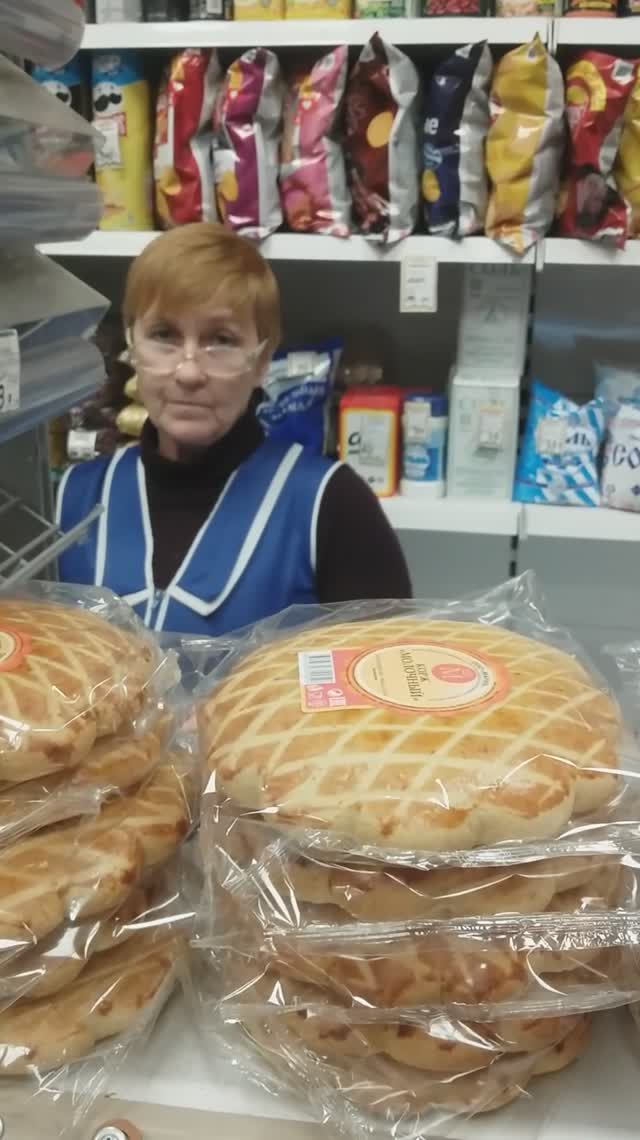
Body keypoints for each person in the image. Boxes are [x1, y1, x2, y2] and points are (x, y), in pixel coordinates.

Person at [57, 223, 411, 635]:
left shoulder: (330, 504)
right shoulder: (75, 499)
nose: (189, 372)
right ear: (132, 346)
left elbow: (386, 669)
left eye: (221, 340)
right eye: (163, 335)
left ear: (261, 361)